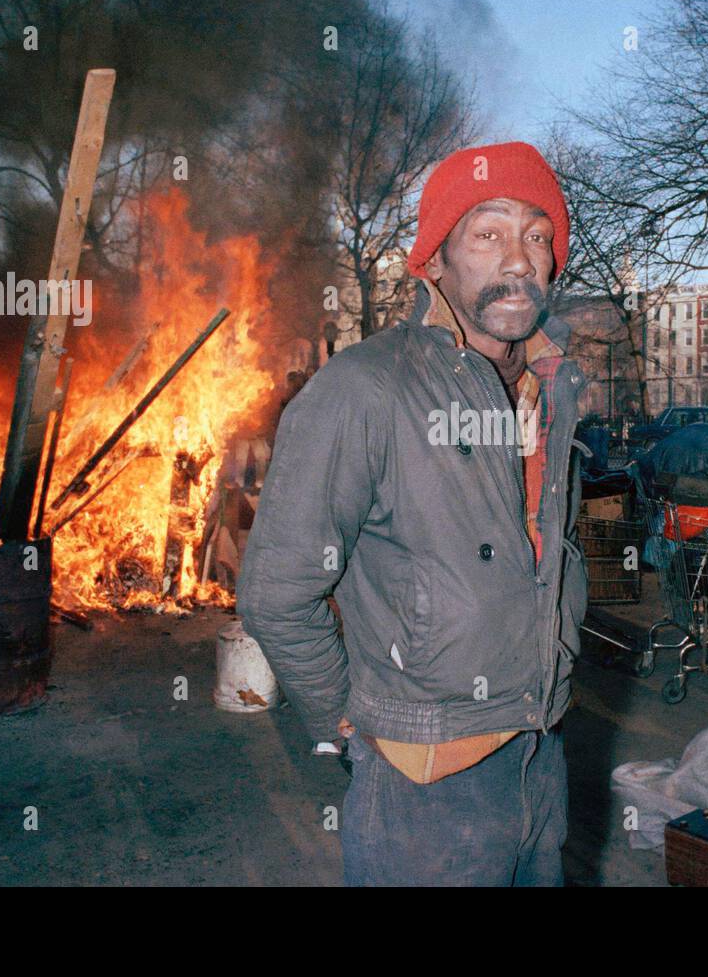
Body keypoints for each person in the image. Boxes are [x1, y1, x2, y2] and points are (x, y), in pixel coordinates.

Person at [238, 142, 585, 887]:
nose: (518, 259)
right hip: (423, 786)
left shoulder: (554, 392)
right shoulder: (364, 389)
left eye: (537, 234)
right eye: (487, 234)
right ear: (436, 260)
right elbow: (276, 590)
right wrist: (349, 720)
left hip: (541, 758)